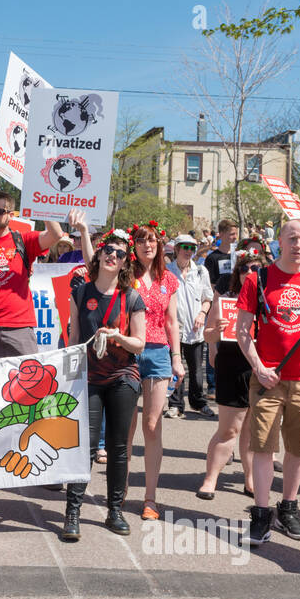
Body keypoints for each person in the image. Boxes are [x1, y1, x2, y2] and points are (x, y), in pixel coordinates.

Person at [236, 219, 300, 545]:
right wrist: (258, 367)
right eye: (292, 238)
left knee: (298, 449)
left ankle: (288, 509)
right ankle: (262, 513)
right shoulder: (258, 279)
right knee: (263, 447)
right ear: (279, 240)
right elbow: (242, 330)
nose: (297, 245)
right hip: (268, 378)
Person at [63, 226, 146, 539]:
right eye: (108, 250)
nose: (113, 255)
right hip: (89, 378)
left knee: (117, 447)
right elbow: (72, 339)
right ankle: (73, 512)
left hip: (123, 375)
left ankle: (115, 511)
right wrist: (69, 374)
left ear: (126, 262)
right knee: (84, 445)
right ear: (97, 254)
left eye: (120, 253)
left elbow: (139, 344)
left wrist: (117, 336)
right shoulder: (81, 292)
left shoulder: (132, 297)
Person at [0, 190, 66, 358]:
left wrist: (42, 205)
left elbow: (56, 234)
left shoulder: (23, 241)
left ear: (10, 215)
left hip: (20, 329)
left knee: (27, 381)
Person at [126, 221, 184, 521]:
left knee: (151, 425)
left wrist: (177, 357)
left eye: (152, 240)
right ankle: (118, 489)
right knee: (126, 426)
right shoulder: (125, 275)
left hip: (159, 353)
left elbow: (172, 321)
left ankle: (150, 497)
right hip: (128, 352)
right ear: (133, 245)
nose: (147, 244)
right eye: (141, 240)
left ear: (160, 245)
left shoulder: (168, 279)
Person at [198, 250, 266, 498]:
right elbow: (207, 335)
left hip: (260, 369)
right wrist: (216, 330)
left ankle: (250, 480)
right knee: (228, 430)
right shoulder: (226, 298)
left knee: (251, 431)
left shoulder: (269, 301)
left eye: (256, 268)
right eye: (245, 268)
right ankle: (210, 479)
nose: (250, 273)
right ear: (237, 273)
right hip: (232, 367)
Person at [168, 233, 215, 418]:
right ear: (177, 249)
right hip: (175, 330)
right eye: (185, 248)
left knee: (196, 372)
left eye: (192, 248)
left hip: (195, 330)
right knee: (176, 369)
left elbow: (208, 298)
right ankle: (175, 405)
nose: (189, 252)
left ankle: (198, 403)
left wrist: (202, 314)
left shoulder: (201, 271)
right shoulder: (167, 271)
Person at [203, 218, 239, 294]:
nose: (235, 237)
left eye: (236, 234)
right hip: (220, 299)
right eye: (232, 234)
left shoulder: (239, 255)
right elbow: (210, 284)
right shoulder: (212, 258)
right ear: (221, 234)